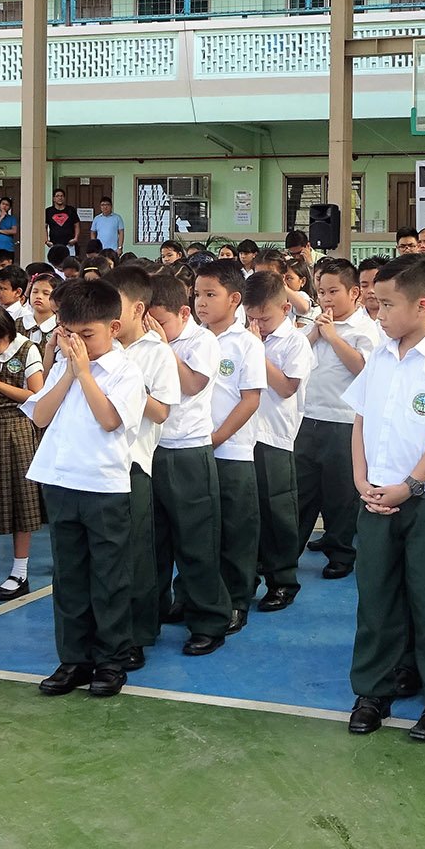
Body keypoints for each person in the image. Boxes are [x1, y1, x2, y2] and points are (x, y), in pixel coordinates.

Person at [342, 254, 425, 742]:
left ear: (423, 306)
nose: (378, 314)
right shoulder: (378, 358)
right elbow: (359, 421)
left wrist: (411, 484)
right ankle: (373, 690)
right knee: (376, 597)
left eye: (385, 305)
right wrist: (361, 480)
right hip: (375, 497)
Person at [25, 280, 147, 698]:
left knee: (109, 575)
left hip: (103, 484)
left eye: (87, 335)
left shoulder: (127, 369)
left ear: (114, 328)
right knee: (70, 574)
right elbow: (40, 415)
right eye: (69, 333)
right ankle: (73, 659)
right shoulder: (63, 366)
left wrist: (84, 373)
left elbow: (110, 420)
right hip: (60, 480)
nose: (77, 342)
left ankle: (111, 658)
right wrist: (69, 371)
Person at [146, 272, 230, 654]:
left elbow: (193, 384)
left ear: (182, 314)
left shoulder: (203, 341)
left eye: (160, 321)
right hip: (151, 449)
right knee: (154, 542)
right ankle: (158, 608)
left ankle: (210, 620)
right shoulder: (147, 343)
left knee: (197, 541)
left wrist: (163, 347)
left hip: (189, 449)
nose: (154, 328)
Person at [112, 266, 181, 666]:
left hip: (134, 462)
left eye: (115, 307)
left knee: (137, 552)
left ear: (138, 309)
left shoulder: (156, 353)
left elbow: (160, 412)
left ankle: (137, 635)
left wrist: (128, 383)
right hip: (95, 463)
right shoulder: (101, 348)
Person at [295, 258, 381, 578]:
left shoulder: (365, 329)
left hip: (344, 420)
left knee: (340, 494)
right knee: (302, 490)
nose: (327, 298)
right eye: (321, 291)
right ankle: (289, 550)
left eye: (334, 291)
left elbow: (363, 370)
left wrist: (332, 336)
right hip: (309, 416)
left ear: (354, 292)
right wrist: (316, 334)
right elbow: (297, 358)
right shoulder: (317, 324)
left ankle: (341, 553)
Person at [195, 259, 266, 635]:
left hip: (230, 451)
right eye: (197, 294)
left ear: (234, 299)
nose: (201, 302)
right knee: (198, 530)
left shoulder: (245, 344)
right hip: (194, 449)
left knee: (236, 530)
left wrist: (215, 439)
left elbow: (250, 400)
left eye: (211, 294)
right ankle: (194, 595)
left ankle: (237, 599)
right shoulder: (191, 338)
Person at [245, 270, 313, 613]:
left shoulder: (294, 341)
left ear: (285, 309)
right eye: (251, 317)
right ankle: (248, 579)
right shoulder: (244, 336)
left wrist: (258, 350)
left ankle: (283, 581)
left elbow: (287, 387)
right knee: (247, 513)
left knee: (277, 512)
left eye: (265, 318)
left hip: (275, 436)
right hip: (241, 435)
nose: (258, 324)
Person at [0, 303, 45, 601]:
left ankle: (20, 571)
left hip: (15, 429)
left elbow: (36, 395)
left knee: (21, 502)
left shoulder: (26, 349)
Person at [45, 189, 78, 254]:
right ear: (54, 198)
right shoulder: (48, 211)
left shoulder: (71, 210)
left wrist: (75, 238)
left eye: (62, 196)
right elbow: (44, 227)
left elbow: (77, 225)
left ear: (64, 198)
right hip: (53, 244)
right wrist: (46, 241)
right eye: (57, 196)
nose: (60, 198)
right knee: (54, 263)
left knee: (69, 263)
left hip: (69, 244)